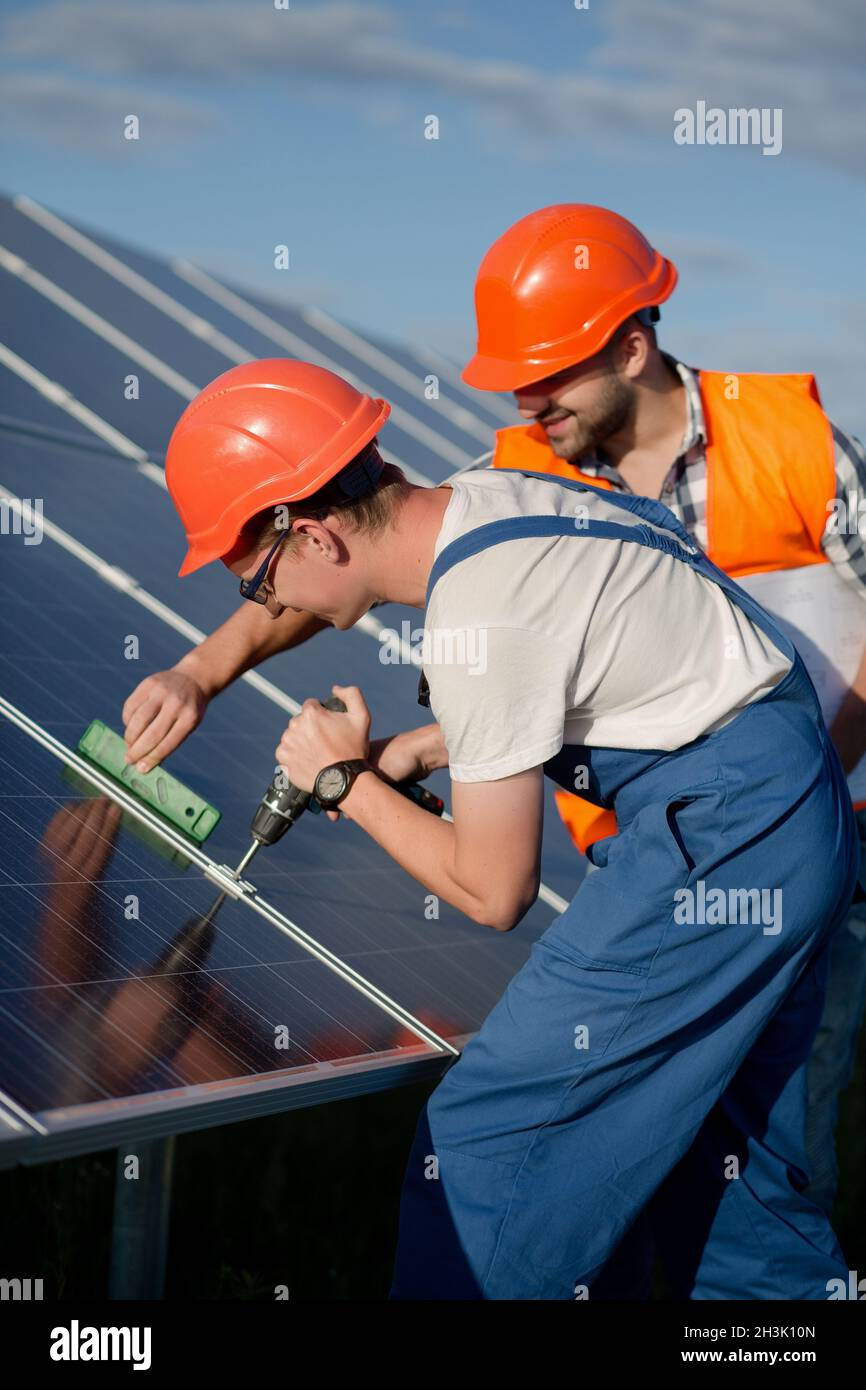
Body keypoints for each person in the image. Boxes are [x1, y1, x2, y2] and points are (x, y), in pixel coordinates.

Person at [156, 356, 855, 1299]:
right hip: (787, 806)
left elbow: (494, 892)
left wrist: (346, 783)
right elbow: (598, 661)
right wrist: (425, 750)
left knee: (488, 1144)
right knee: (726, 1170)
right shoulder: (499, 500)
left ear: (316, 535)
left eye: (257, 583)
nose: (269, 607)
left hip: (721, 836)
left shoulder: (476, 614)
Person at [459, 204, 866, 1219]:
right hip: (643, 871)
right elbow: (364, 540)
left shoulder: (793, 442)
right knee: (649, 1142)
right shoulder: (523, 479)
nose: (525, 396)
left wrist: (793, 785)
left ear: (632, 345)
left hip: (823, 852)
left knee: (771, 1152)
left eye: (549, 371)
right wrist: (204, 668)